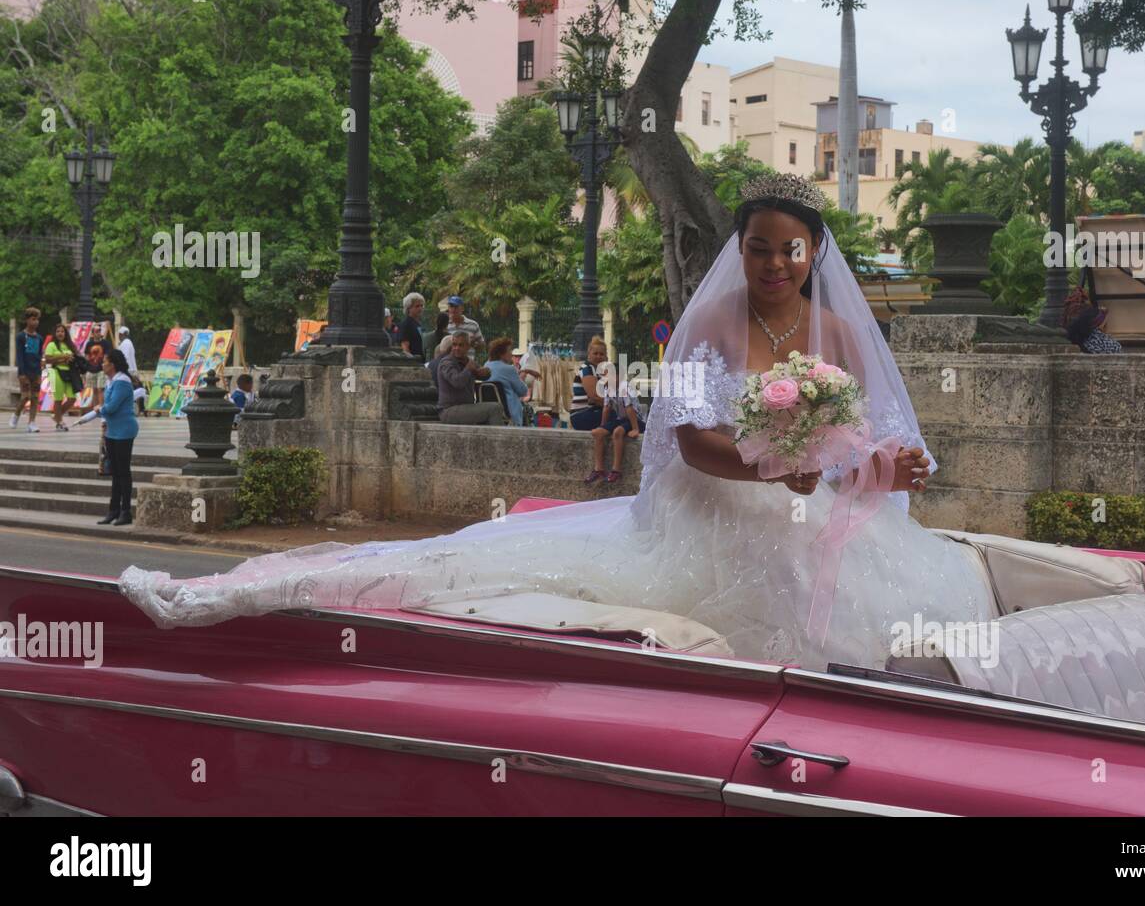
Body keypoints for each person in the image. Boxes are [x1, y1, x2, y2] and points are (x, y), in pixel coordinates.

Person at [119, 173, 995, 673]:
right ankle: (237, 597)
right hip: (714, 508)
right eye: (758, 245)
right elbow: (690, 440)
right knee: (473, 571)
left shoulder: (838, 331)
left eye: (789, 247)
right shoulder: (712, 326)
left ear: (814, 252)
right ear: (741, 249)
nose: (773, 262)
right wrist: (776, 470)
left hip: (806, 515)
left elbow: (862, 443)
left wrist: (889, 466)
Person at [77, 348, 138, 526]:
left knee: (123, 472)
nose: (102, 364)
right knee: (115, 472)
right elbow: (108, 405)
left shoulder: (122, 381)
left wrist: (98, 410)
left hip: (124, 431)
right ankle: (113, 510)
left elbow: (111, 407)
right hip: (112, 430)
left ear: (113, 364)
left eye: (104, 362)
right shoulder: (112, 381)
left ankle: (125, 511)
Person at [434, 332, 507, 425]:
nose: (456, 348)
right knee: (495, 408)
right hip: (449, 410)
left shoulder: (467, 361)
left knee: (494, 409)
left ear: (468, 347)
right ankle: (499, 439)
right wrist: (468, 369)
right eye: (454, 344)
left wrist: (486, 372)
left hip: (465, 407)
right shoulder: (447, 362)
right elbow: (457, 382)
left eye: (460, 345)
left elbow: (484, 375)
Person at [586, 379, 643, 484]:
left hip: (636, 419)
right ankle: (599, 469)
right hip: (621, 419)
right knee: (597, 433)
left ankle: (616, 470)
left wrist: (635, 429)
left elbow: (629, 408)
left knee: (617, 432)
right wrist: (603, 427)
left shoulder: (624, 386)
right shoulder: (608, 388)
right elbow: (606, 408)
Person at [9, 307, 42, 433]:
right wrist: (21, 373)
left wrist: (39, 373)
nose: (36, 322)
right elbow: (20, 356)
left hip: (36, 372)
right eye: (33, 319)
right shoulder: (21, 336)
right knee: (25, 396)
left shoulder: (39, 337)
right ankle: (16, 414)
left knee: (35, 397)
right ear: (27, 320)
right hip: (25, 372)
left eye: (37, 319)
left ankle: (32, 422)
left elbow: (39, 356)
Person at [484, 337, 530, 426]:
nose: (511, 354)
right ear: (502, 354)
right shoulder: (509, 369)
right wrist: (522, 377)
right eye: (509, 351)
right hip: (509, 413)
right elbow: (523, 391)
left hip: (491, 412)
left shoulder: (486, 365)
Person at [43, 323, 80, 432]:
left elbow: (76, 357)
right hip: (55, 373)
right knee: (58, 399)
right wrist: (63, 357)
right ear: (55, 333)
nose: (60, 333)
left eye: (62, 331)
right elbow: (48, 359)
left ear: (65, 333)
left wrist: (71, 359)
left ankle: (57, 416)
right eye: (58, 331)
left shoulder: (70, 345)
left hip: (70, 374)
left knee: (72, 398)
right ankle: (60, 422)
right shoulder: (52, 345)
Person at [569, 336, 606, 432]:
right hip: (582, 415)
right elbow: (595, 396)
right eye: (595, 353)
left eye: (601, 354)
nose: (598, 356)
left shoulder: (601, 372)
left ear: (606, 356)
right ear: (589, 354)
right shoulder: (587, 368)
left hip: (594, 412)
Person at [84, 322, 113, 409]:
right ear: (93, 333)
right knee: (94, 390)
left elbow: (107, 355)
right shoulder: (89, 344)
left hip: (101, 369)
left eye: (99, 331)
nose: (98, 332)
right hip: (91, 369)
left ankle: (101, 408)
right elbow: (86, 355)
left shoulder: (105, 343)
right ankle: (95, 409)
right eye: (96, 331)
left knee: (101, 389)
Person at [397, 292, 425, 362]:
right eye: (417, 306)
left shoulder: (417, 323)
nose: (420, 308)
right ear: (409, 308)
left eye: (422, 306)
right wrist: (412, 363)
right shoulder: (406, 324)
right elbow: (405, 347)